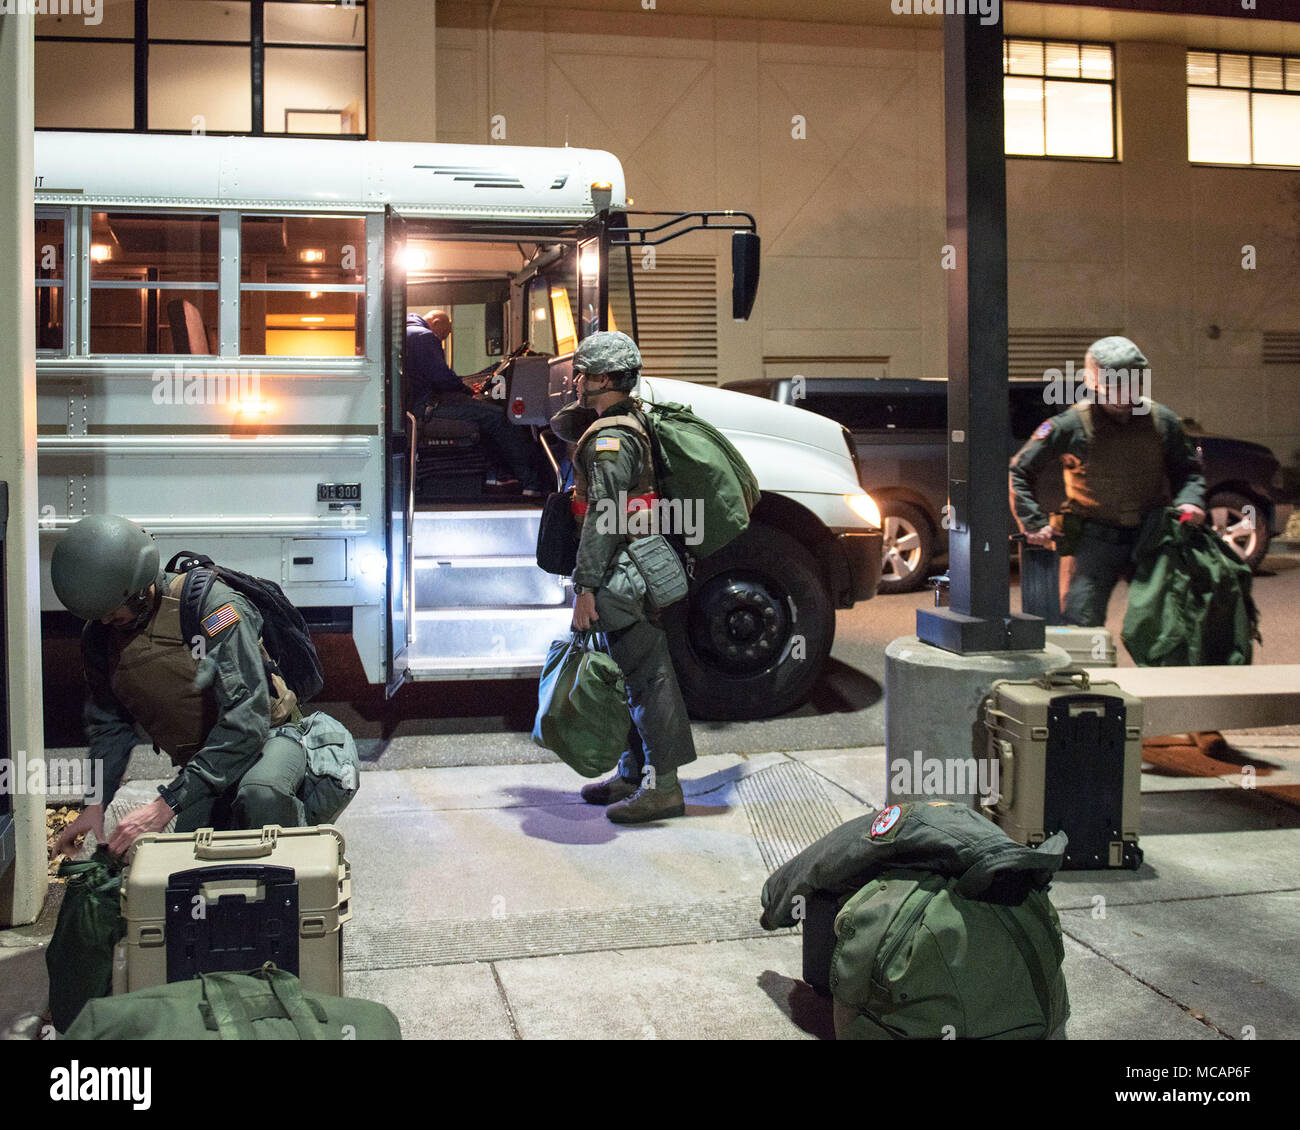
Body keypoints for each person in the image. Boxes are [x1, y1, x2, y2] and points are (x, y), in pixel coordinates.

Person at [50, 515, 319, 856]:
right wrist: (95, 804)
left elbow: (247, 720)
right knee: (189, 870)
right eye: (98, 615)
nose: (105, 622)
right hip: (209, 761)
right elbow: (110, 725)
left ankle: (297, 871)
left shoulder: (211, 608)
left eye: (112, 613)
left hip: (269, 740)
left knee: (260, 795)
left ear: (137, 589)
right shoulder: (101, 634)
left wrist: (166, 804)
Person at [565, 331, 696, 824]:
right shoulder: (631, 420)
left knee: (648, 681)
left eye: (583, 374)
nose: (577, 383)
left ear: (603, 378)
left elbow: (605, 514)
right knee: (626, 679)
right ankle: (631, 770)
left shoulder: (611, 439)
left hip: (623, 574)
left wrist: (585, 587)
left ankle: (664, 787)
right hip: (631, 564)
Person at [1009, 336, 1207, 628]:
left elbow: (1188, 470)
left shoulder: (1162, 421)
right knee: (1080, 626)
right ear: (1094, 384)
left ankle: (1161, 675)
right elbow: (1019, 470)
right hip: (1092, 540)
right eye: (1115, 388)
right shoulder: (1070, 425)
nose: (1125, 396)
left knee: (1168, 627)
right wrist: (1034, 523)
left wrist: (1190, 501)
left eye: (1132, 386)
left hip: (1150, 535)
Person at [406, 309, 547, 496]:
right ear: (437, 322)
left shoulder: (406, 332)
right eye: (444, 334)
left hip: (417, 403)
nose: (442, 340)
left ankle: (497, 475)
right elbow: (442, 378)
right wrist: (468, 390)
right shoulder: (424, 336)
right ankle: (532, 484)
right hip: (425, 405)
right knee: (497, 416)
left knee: (481, 411)